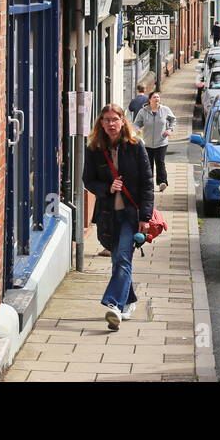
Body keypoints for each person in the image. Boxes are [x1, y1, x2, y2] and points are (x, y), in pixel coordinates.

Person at [82, 104, 153, 330]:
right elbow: (88, 180)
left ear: (123, 121)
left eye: (115, 119)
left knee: (122, 257)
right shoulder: (94, 149)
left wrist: (146, 216)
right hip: (107, 215)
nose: (111, 124)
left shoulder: (135, 146)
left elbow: (147, 184)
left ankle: (113, 304)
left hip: (131, 216)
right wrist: (107, 188)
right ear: (101, 124)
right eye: (106, 120)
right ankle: (129, 300)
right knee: (118, 260)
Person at [134, 91, 176, 192]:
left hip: (161, 142)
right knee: (148, 164)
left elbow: (173, 120)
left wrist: (169, 130)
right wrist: (137, 129)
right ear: (149, 100)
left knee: (160, 162)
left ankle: (162, 182)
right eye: (154, 97)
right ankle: (149, 183)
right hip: (147, 143)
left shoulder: (165, 110)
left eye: (158, 97)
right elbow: (136, 123)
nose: (157, 99)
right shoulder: (143, 111)